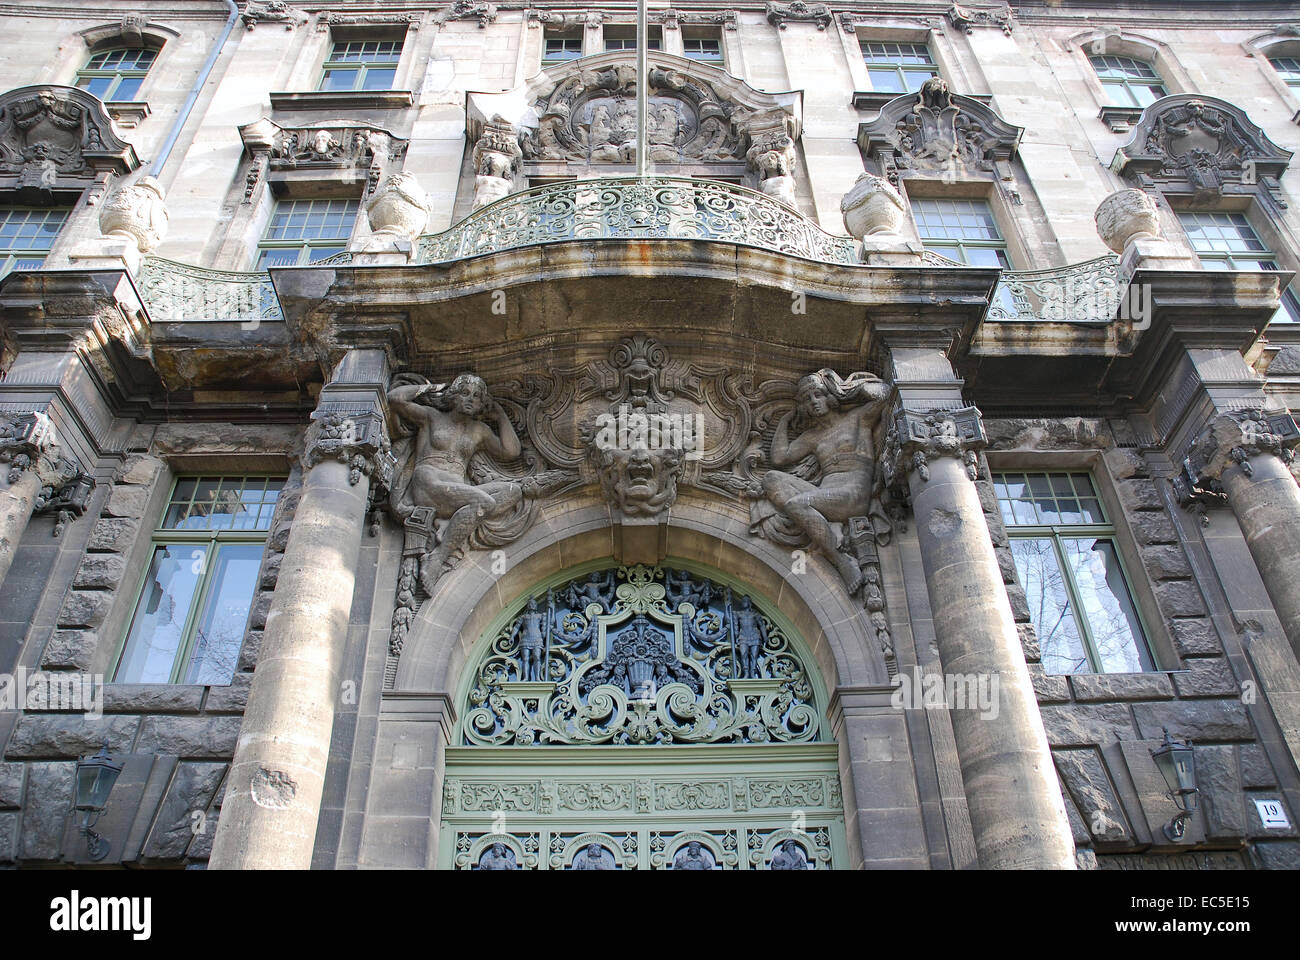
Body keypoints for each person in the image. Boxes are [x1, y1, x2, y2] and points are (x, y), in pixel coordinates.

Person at [760, 370, 889, 594]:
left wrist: (844, 388)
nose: (814, 403)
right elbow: (780, 458)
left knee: (796, 504)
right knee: (771, 478)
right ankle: (820, 525)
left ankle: (842, 561)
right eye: (808, 400)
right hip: (825, 495)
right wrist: (785, 420)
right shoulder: (813, 436)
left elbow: (885, 394)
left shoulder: (858, 418)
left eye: (818, 395)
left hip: (853, 492)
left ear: (829, 396)